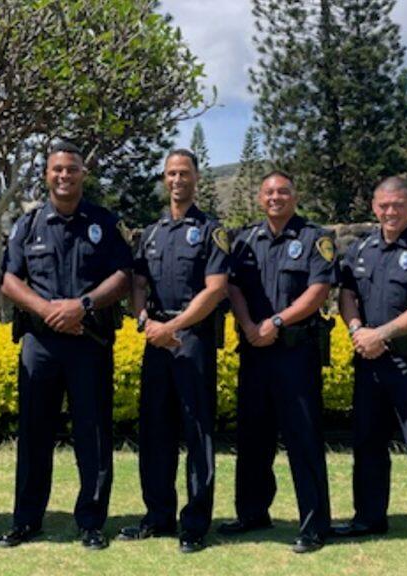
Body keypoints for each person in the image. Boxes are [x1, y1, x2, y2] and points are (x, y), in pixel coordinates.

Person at [0, 142, 132, 550]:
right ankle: (26, 520)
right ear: (47, 175)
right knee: (34, 432)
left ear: (82, 175)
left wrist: (83, 305)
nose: (64, 176)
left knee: (92, 434)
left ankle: (91, 522)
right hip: (40, 343)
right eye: (57, 169)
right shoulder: (28, 224)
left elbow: (124, 274)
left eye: (72, 169)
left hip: (88, 342)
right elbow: (9, 278)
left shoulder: (105, 222)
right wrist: (46, 309)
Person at [334, 176, 407, 561]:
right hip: (368, 362)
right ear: (373, 207)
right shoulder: (361, 250)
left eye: (398, 204)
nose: (390, 211)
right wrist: (357, 331)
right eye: (383, 205)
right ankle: (369, 518)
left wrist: (380, 335)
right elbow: (347, 295)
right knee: (367, 443)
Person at [117, 149, 229, 553]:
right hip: (156, 340)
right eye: (171, 173)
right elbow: (138, 284)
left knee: (196, 431)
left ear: (196, 177)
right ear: (164, 179)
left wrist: (172, 327)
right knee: (155, 431)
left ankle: (195, 523)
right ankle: (157, 516)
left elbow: (215, 290)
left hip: (191, 339)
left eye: (184, 173)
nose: (177, 180)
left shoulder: (212, 231)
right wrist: (146, 321)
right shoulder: (151, 233)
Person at [220, 170, 334, 554]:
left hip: (294, 353)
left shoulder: (314, 238)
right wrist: (249, 324)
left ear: (294, 195)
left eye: (283, 191)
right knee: (252, 438)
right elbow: (233, 285)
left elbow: (319, 290)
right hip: (254, 350)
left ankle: (314, 524)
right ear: (259, 198)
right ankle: (252, 512)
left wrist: (277, 321)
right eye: (269, 192)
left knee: (303, 439)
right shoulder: (246, 240)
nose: (275, 198)